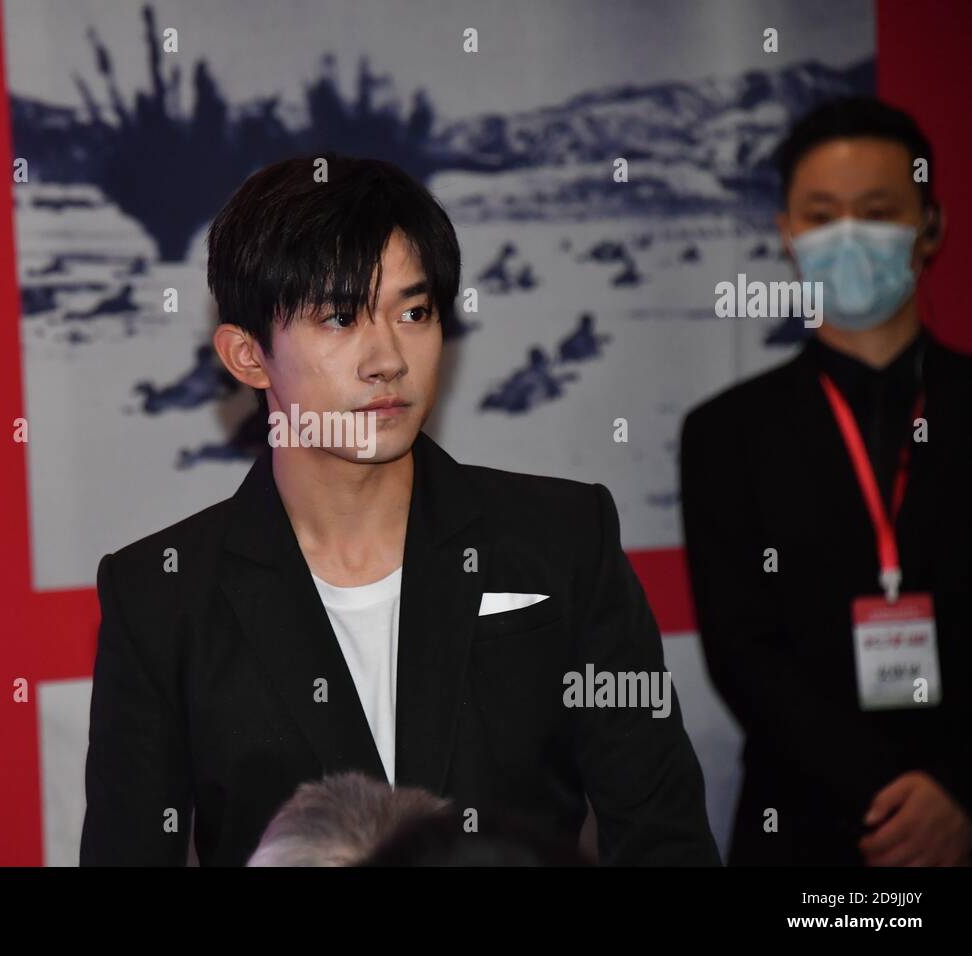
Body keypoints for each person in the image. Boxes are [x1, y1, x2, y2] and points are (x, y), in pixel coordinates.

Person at [81, 153, 719, 866]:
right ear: (247, 355)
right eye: (340, 317)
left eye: (414, 312)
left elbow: (665, 836)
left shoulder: (565, 541)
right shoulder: (161, 597)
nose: (387, 357)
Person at [680, 96, 972, 866]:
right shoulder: (726, 432)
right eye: (822, 214)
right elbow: (742, 652)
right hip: (803, 827)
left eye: (877, 212)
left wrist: (956, 792)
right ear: (787, 234)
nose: (849, 237)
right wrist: (896, 793)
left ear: (930, 225)